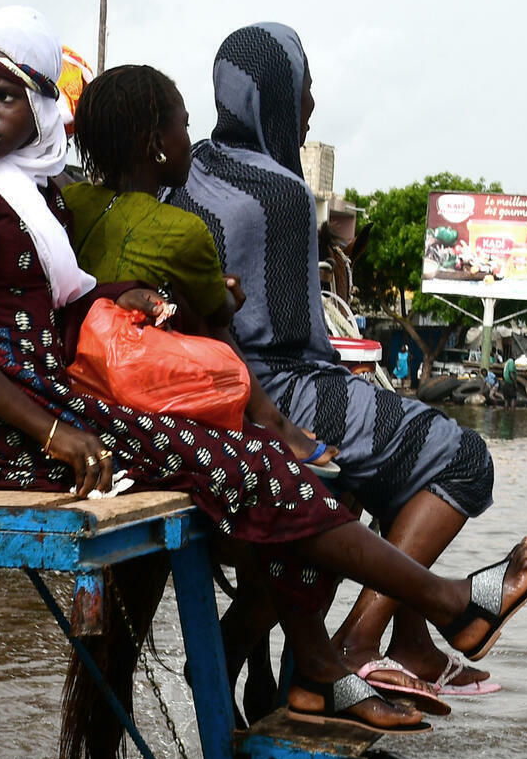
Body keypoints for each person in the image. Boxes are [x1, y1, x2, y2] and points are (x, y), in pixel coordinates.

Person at [0, 7, 527, 733]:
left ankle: (349, 652)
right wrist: (54, 431)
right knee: (291, 464)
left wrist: (125, 296)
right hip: (13, 434)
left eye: (6, 97)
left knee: (269, 462)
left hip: (61, 401)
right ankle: (416, 617)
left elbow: (64, 298)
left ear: (44, 107)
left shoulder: (42, 194)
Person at [177, 22, 505, 701]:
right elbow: (299, 343)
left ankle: (405, 643)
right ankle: (361, 639)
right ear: (275, 96)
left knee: (385, 448)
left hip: (196, 395)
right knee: (461, 458)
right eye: (304, 89)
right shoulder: (283, 194)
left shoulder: (190, 168)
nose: (311, 107)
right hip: (271, 392)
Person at [61, 64, 329, 465]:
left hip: (72, 372)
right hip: (128, 383)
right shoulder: (182, 229)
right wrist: (228, 293)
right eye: (183, 127)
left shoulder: (72, 201)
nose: (190, 141)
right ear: (156, 144)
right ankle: (273, 421)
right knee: (204, 317)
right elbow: (218, 311)